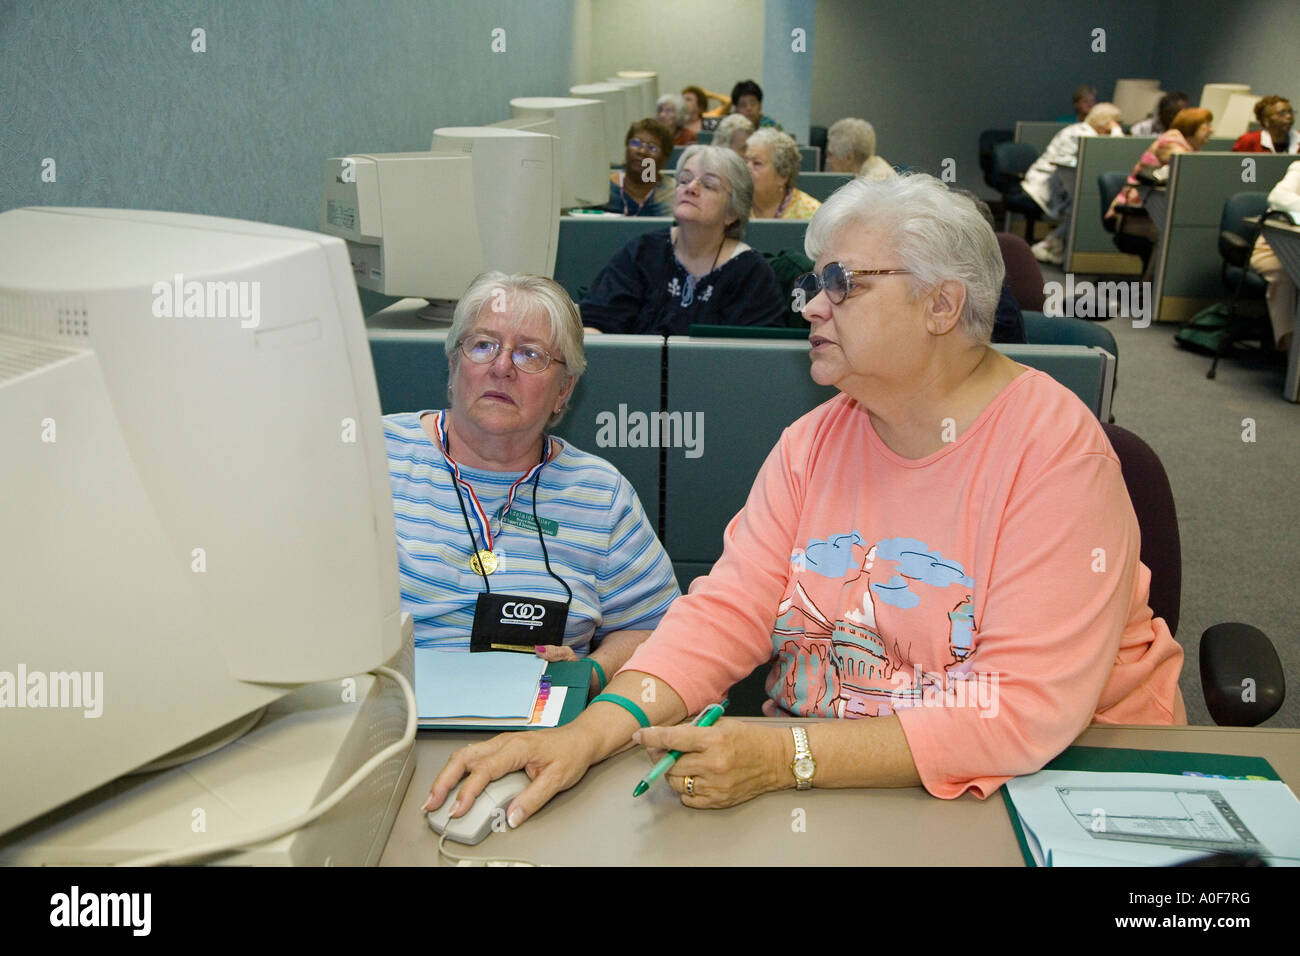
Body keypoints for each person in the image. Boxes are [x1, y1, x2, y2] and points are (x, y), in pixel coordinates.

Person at [424, 175, 1185, 825]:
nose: (811, 307)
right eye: (811, 285)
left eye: (839, 284)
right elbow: (728, 613)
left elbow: (1016, 708)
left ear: (942, 307)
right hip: (833, 780)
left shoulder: (1054, 449)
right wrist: (587, 735)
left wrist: (786, 756)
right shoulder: (816, 440)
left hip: (1045, 788)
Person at [383, 273, 680, 695]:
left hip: (539, 731)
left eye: (530, 354)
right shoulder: (374, 458)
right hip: (388, 717)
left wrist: (590, 673)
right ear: (453, 365)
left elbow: (659, 630)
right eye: (483, 345)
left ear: (564, 390)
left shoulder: (599, 493)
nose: (501, 368)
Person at [579, 145, 786, 335]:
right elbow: (595, 323)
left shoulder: (752, 275)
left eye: (709, 185)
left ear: (733, 211)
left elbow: (758, 359)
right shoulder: (642, 252)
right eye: (685, 180)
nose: (690, 188)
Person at [1021, 102, 1123, 265]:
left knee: (1080, 205)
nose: (1118, 125)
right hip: (1047, 183)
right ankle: (1049, 244)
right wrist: (1116, 134)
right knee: (1079, 207)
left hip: (1065, 184)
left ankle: (1052, 243)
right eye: (1116, 122)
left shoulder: (1089, 133)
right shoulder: (1079, 134)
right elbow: (1068, 163)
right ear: (1106, 122)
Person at [1107, 107, 1214, 218]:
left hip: (1153, 206)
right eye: (1207, 125)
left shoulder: (1187, 146)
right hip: (1135, 210)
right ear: (1192, 125)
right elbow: (1188, 168)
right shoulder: (1171, 141)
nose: (1211, 130)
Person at [1250, 160, 1300, 351]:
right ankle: (1290, 347)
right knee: (1286, 272)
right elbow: (1277, 197)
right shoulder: (1298, 168)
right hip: (1275, 248)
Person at [601, 119, 676, 216]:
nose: (642, 151)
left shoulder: (673, 194)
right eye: (636, 143)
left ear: (664, 159)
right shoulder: (604, 189)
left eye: (652, 148)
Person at [746, 128, 821, 219]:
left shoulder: (812, 214)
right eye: (745, 161)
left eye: (757, 163)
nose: (746, 168)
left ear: (782, 176)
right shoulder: (733, 209)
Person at [825, 118, 894, 181]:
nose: (828, 160)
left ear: (849, 158)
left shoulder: (871, 184)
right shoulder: (877, 166)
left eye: (831, 154)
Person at [1232, 96, 1298, 154]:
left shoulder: (1298, 139)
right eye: (1282, 113)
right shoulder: (1248, 141)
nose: (1289, 116)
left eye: (1290, 112)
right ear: (1265, 120)